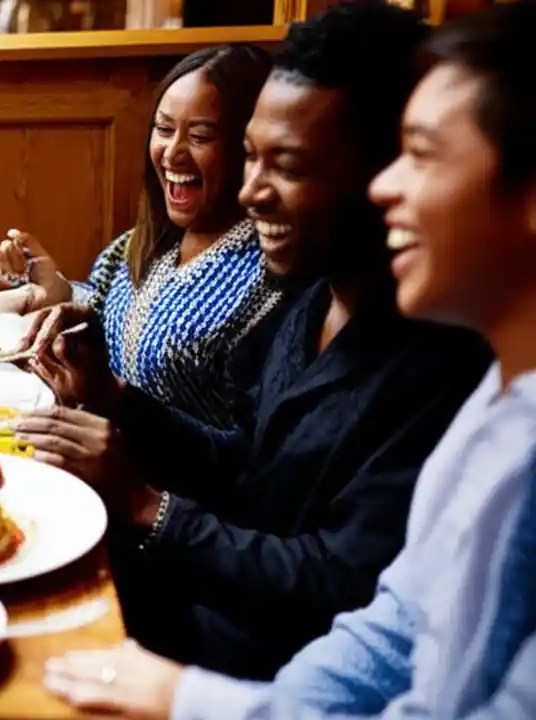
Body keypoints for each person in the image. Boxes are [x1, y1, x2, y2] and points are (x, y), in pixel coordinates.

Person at [43, 5, 536, 717]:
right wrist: (119, 397)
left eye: (422, 156)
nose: (249, 193)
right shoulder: (310, 299)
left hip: (245, 645)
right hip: (228, 640)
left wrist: (150, 511)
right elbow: (258, 472)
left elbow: (341, 587)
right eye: (251, 154)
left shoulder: (450, 367)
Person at [0, 44, 283, 428]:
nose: (172, 153)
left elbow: (247, 452)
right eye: (163, 130)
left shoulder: (268, 277)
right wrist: (58, 292)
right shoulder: (140, 243)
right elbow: (109, 309)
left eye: (200, 136)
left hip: (153, 485)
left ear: (249, 147)